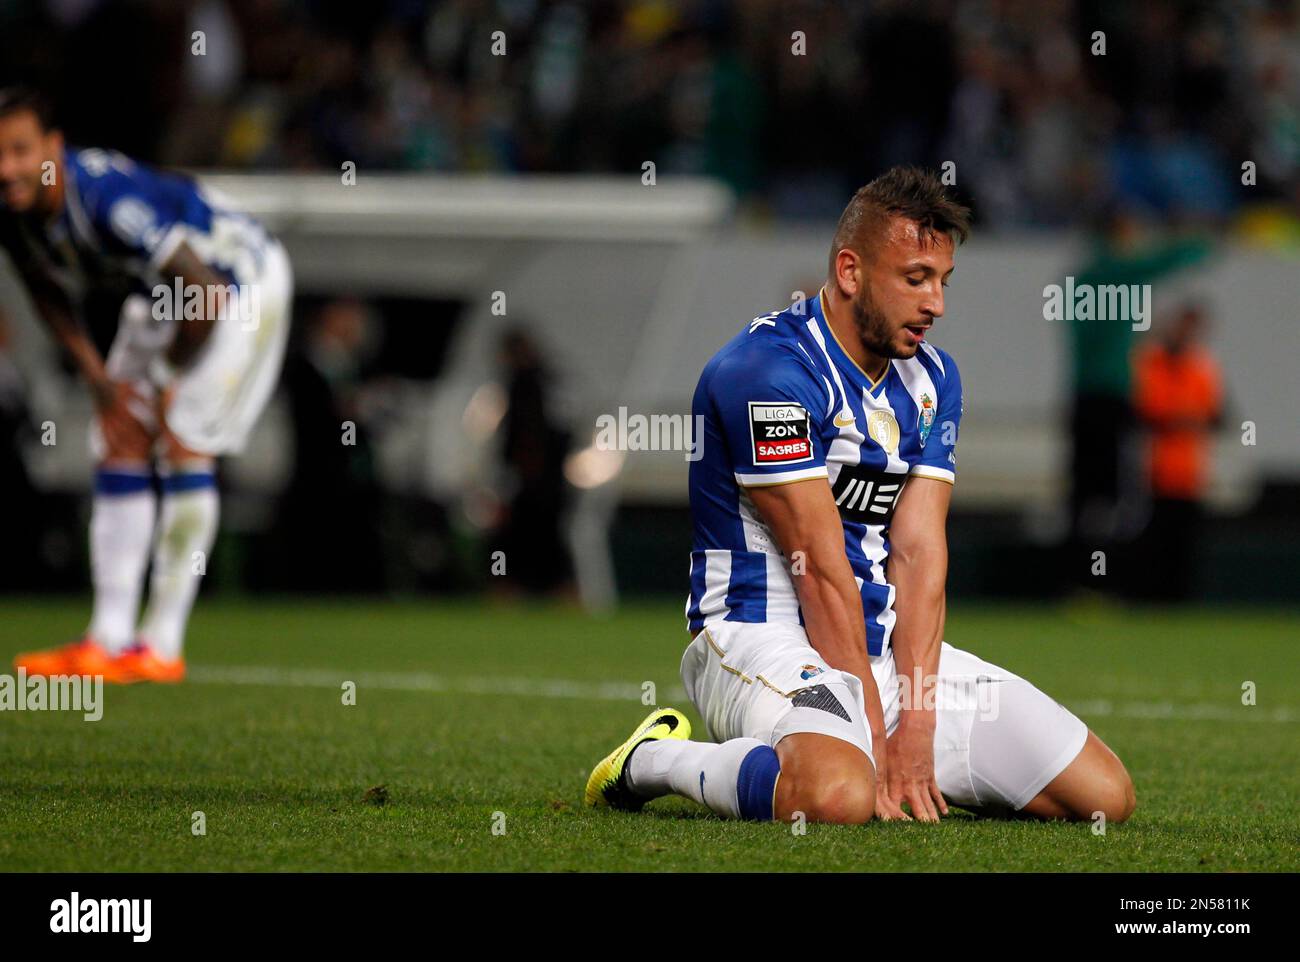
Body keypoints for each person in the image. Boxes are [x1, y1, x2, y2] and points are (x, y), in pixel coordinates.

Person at [586, 167, 1135, 824]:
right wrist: (876, 739)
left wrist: (918, 724)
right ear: (850, 272)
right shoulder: (767, 373)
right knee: (839, 796)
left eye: (942, 281)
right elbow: (817, 568)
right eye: (915, 279)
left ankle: (853, 756)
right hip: (760, 639)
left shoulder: (933, 381)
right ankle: (653, 760)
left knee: (1103, 797)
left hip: (879, 648)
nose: (936, 304)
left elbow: (919, 554)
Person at [0, 86, 292, 682]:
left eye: (20, 150)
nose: (7, 168)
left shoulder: (107, 199)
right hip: (166, 296)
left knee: (181, 433)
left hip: (237, 281)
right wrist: (97, 376)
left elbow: (205, 290)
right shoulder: (12, 206)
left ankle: (159, 645)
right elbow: (43, 286)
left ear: (53, 147)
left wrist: (164, 377)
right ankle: (106, 638)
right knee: (116, 436)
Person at [1133, 303, 1223, 600]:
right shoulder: (1150, 362)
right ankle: (1147, 598)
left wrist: (1189, 421)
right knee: (1150, 541)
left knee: (1183, 545)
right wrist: (1179, 420)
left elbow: (1218, 417)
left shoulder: (1203, 367)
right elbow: (1141, 413)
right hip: (1151, 471)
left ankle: (1178, 602)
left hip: (1189, 472)